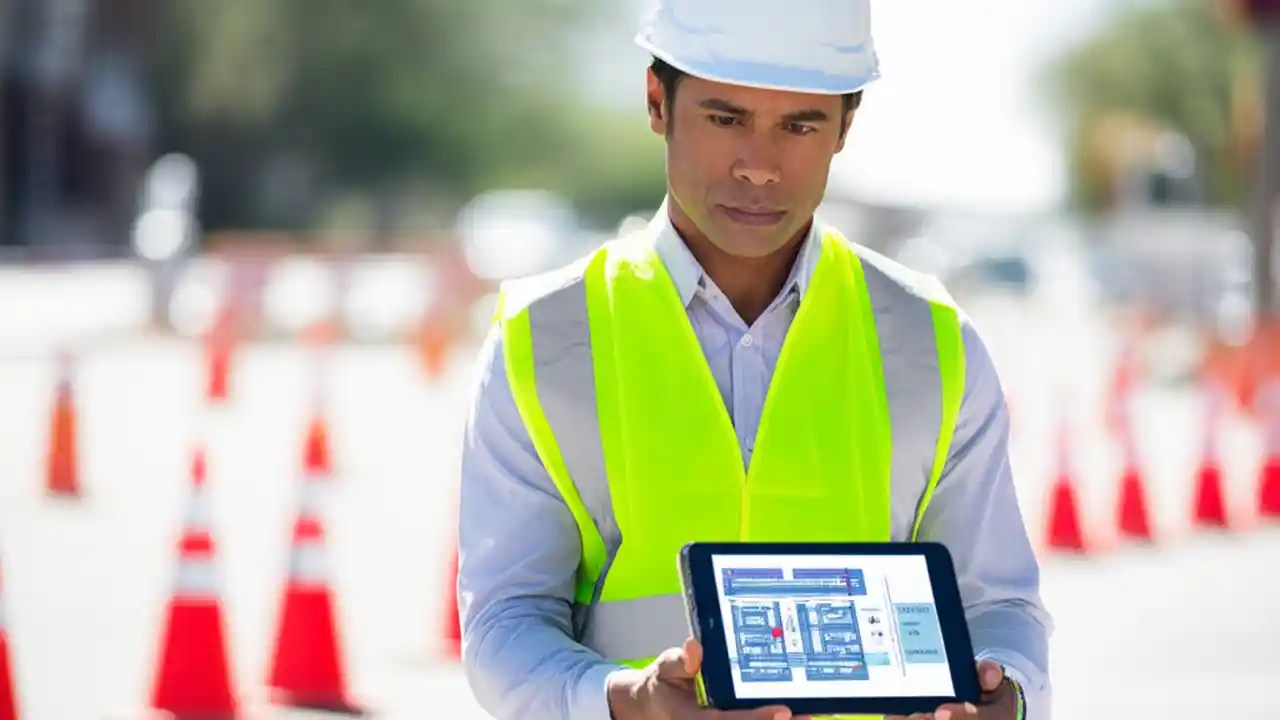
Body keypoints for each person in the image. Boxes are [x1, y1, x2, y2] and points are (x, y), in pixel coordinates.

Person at [456, 1, 1052, 718]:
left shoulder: (933, 343)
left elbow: (1000, 607)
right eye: (725, 118)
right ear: (657, 102)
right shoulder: (544, 341)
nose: (760, 166)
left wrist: (1006, 698)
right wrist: (624, 701)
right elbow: (505, 622)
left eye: (800, 125)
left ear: (845, 127)